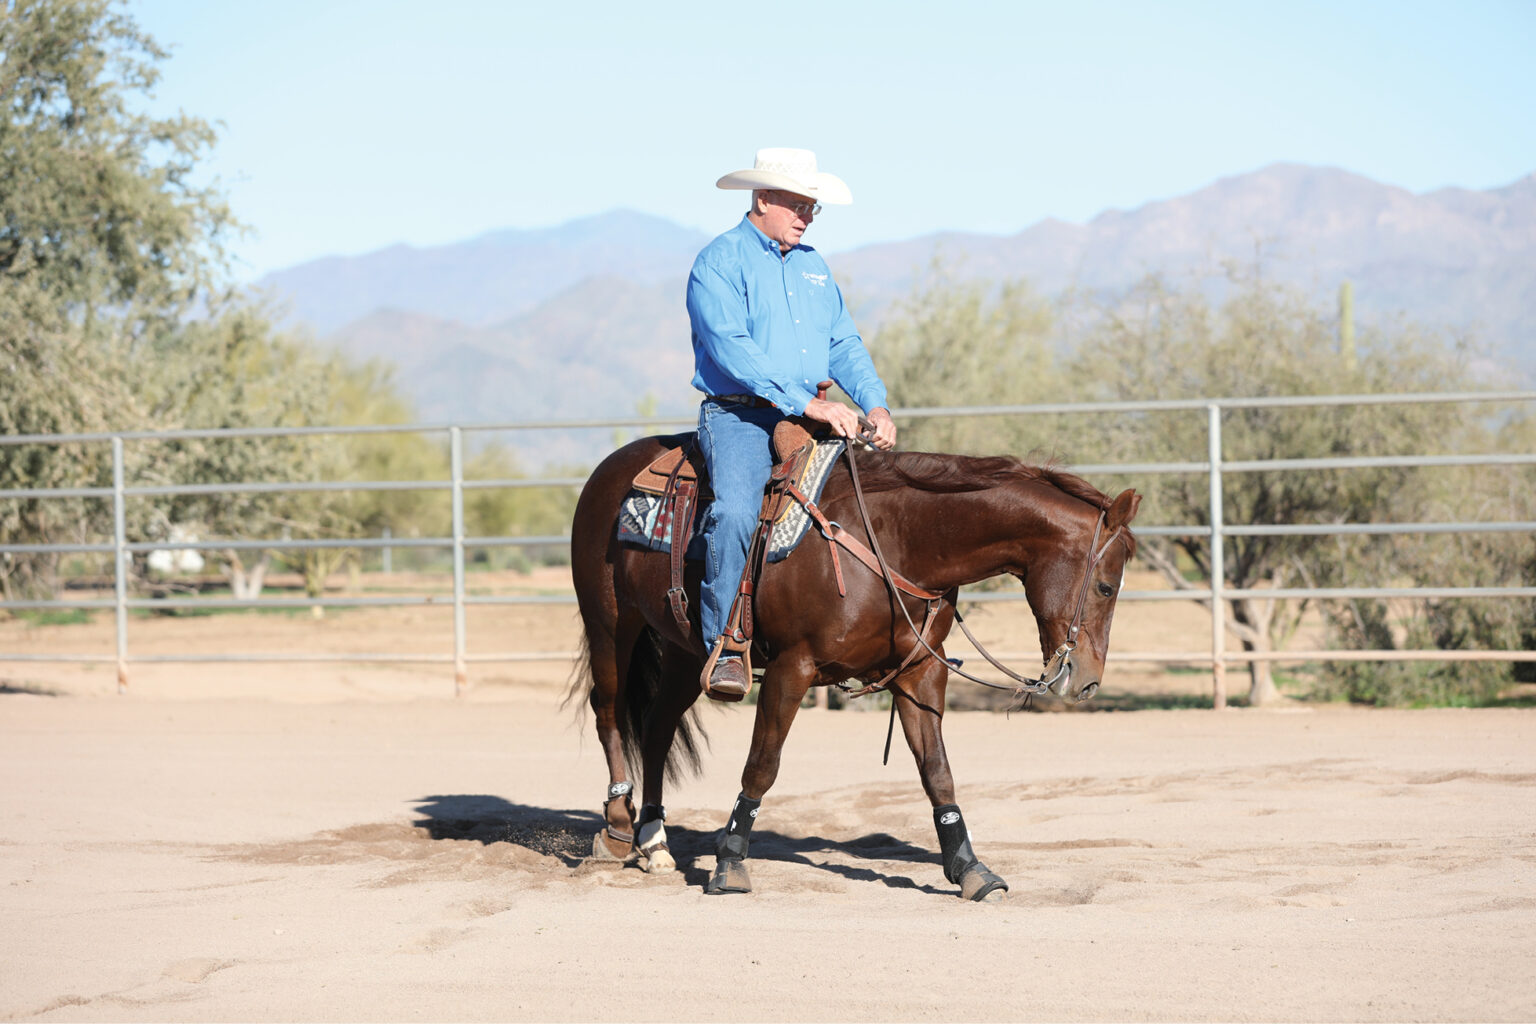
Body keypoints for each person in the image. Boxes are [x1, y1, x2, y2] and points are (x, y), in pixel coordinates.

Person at [686, 148, 898, 698]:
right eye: (799, 205)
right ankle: (725, 643)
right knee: (736, 512)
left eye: (813, 207)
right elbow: (732, 349)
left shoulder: (813, 266)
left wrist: (875, 403)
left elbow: (842, 342)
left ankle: (877, 636)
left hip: (810, 408)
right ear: (762, 199)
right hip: (739, 414)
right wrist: (809, 404)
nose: (807, 217)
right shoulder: (720, 261)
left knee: (873, 502)